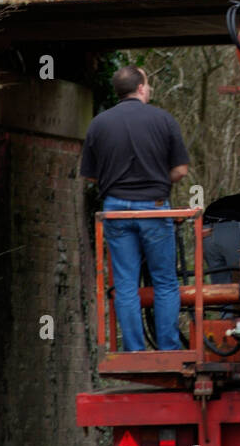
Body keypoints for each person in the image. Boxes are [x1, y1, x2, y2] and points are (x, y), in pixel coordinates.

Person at [80, 65, 190, 351]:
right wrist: (155, 178)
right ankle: (168, 348)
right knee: (165, 282)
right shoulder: (163, 120)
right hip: (154, 208)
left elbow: (91, 176)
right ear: (141, 87)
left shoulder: (99, 124)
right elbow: (180, 170)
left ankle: (134, 350)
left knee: (126, 284)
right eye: (148, 83)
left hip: (115, 210)